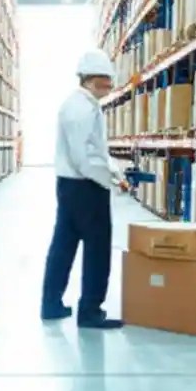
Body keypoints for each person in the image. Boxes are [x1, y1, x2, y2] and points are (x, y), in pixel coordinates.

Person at [41, 48, 128, 329]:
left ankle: (51, 304)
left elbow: (97, 151)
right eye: (106, 81)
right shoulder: (80, 110)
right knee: (97, 248)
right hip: (85, 188)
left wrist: (115, 171)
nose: (110, 86)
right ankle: (90, 310)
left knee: (64, 245)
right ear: (91, 80)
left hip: (71, 187)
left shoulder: (84, 106)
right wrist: (112, 182)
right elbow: (85, 159)